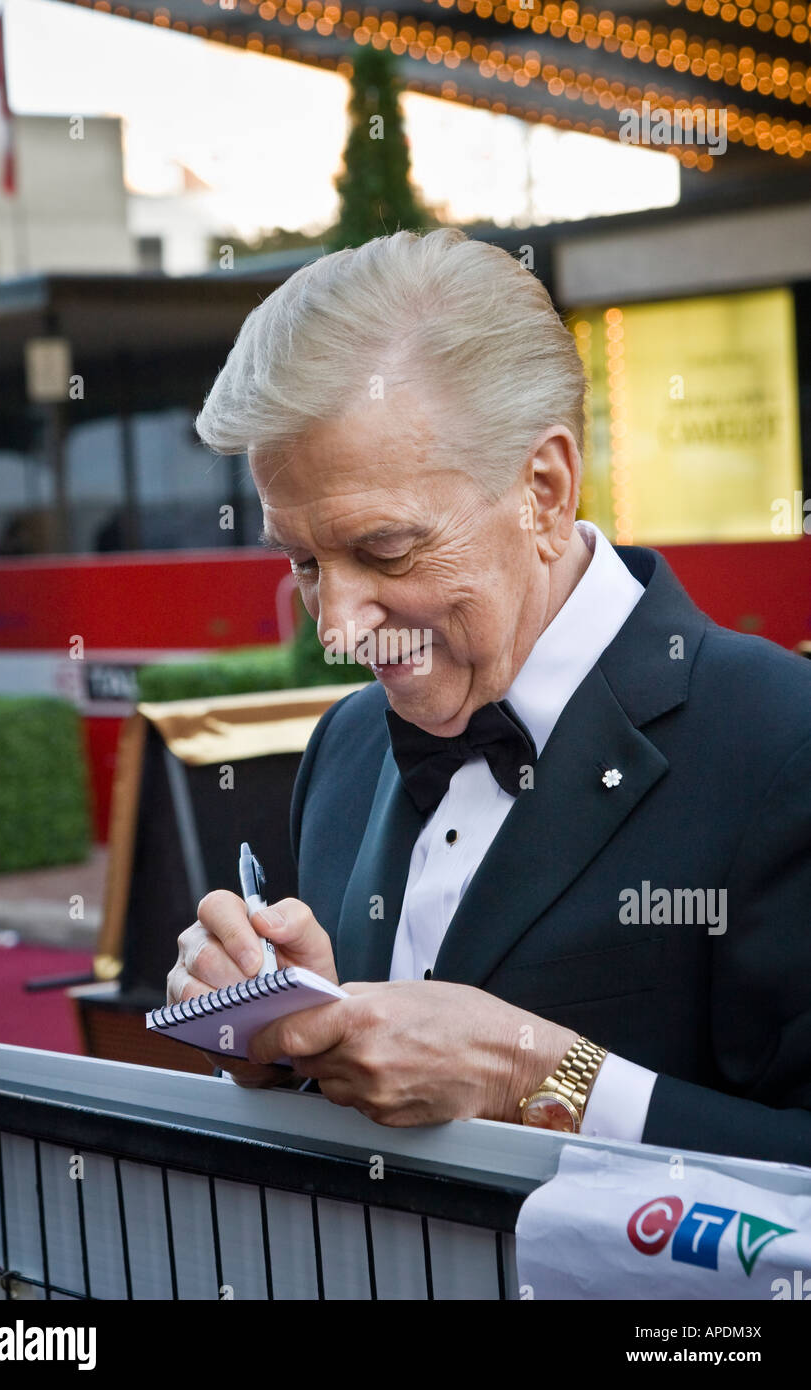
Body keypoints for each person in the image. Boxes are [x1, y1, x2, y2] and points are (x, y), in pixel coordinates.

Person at [166, 228, 811, 1165]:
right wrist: (274, 1037)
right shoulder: (346, 745)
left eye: (385, 550)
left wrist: (538, 1074)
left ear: (544, 492)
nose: (338, 630)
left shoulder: (784, 742)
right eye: (304, 561)